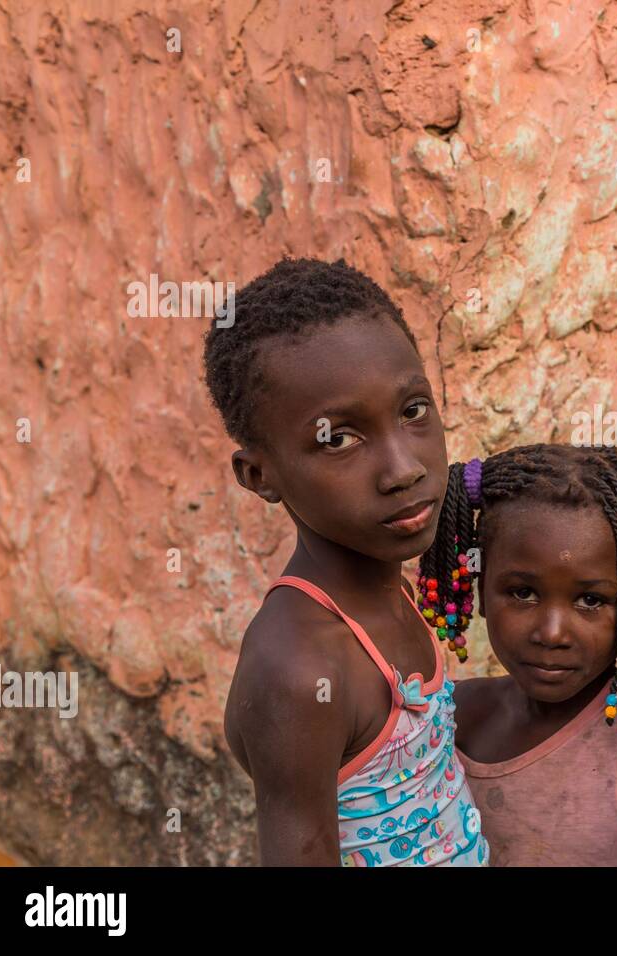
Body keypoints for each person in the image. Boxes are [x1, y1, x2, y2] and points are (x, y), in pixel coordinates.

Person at [207, 257, 487, 866]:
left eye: (413, 411)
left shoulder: (393, 589)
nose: (403, 468)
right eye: (339, 439)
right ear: (259, 475)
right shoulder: (300, 669)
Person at [418, 444, 617, 865]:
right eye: (522, 593)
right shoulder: (448, 716)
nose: (552, 633)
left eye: (590, 600)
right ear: (479, 591)